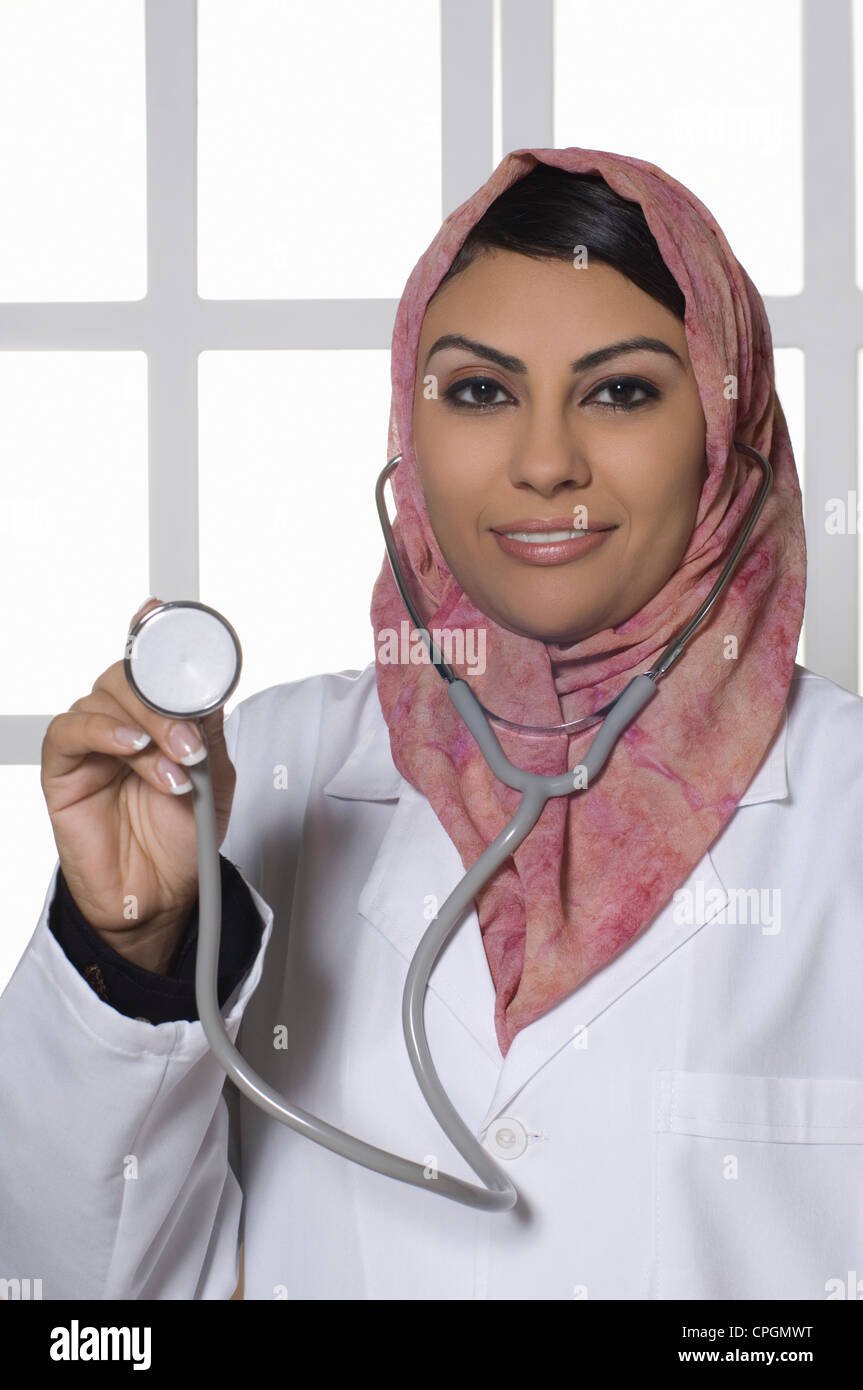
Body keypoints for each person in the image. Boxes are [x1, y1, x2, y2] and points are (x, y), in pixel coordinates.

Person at [2, 146, 863, 1302]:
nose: (544, 460)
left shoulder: (842, 815)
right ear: (409, 433)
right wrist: (130, 952)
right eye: (477, 390)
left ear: (727, 434)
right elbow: (82, 1311)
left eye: (619, 391)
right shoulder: (262, 771)